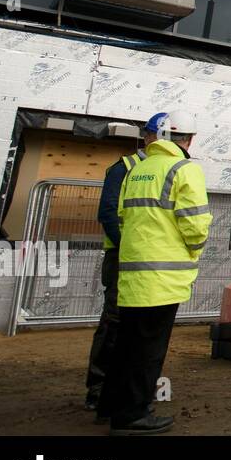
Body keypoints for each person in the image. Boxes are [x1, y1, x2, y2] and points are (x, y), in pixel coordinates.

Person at [98, 111, 210, 435]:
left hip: (132, 274)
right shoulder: (184, 169)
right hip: (163, 278)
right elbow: (196, 224)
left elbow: (120, 218)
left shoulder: (137, 169)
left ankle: (110, 407)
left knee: (126, 344)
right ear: (188, 140)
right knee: (149, 350)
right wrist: (192, 251)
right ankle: (133, 415)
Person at [84, 113, 166, 414]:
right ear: (147, 136)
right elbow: (108, 213)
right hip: (123, 258)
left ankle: (132, 390)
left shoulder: (166, 170)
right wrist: (129, 248)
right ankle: (99, 388)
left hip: (151, 261)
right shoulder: (125, 168)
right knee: (115, 321)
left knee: (143, 328)